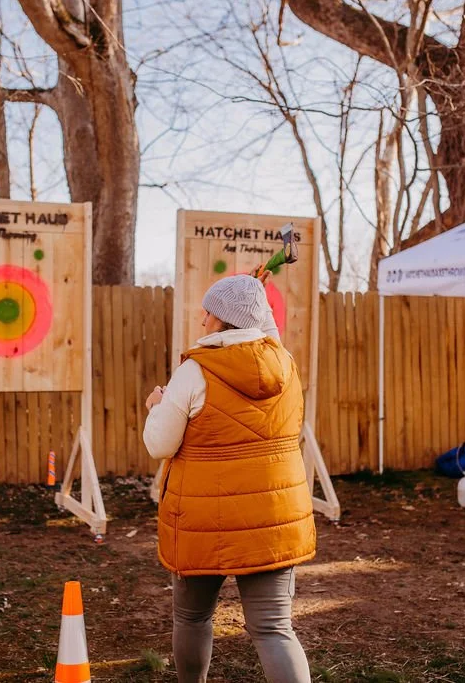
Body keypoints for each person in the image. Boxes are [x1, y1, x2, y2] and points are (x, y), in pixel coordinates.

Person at [143, 273, 315, 683]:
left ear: (220, 320)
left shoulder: (193, 373)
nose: (202, 318)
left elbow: (159, 445)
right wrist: (253, 296)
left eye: (209, 311)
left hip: (207, 519)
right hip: (272, 518)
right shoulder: (285, 364)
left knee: (192, 616)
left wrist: (154, 406)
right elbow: (264, 330)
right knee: (274, 628)